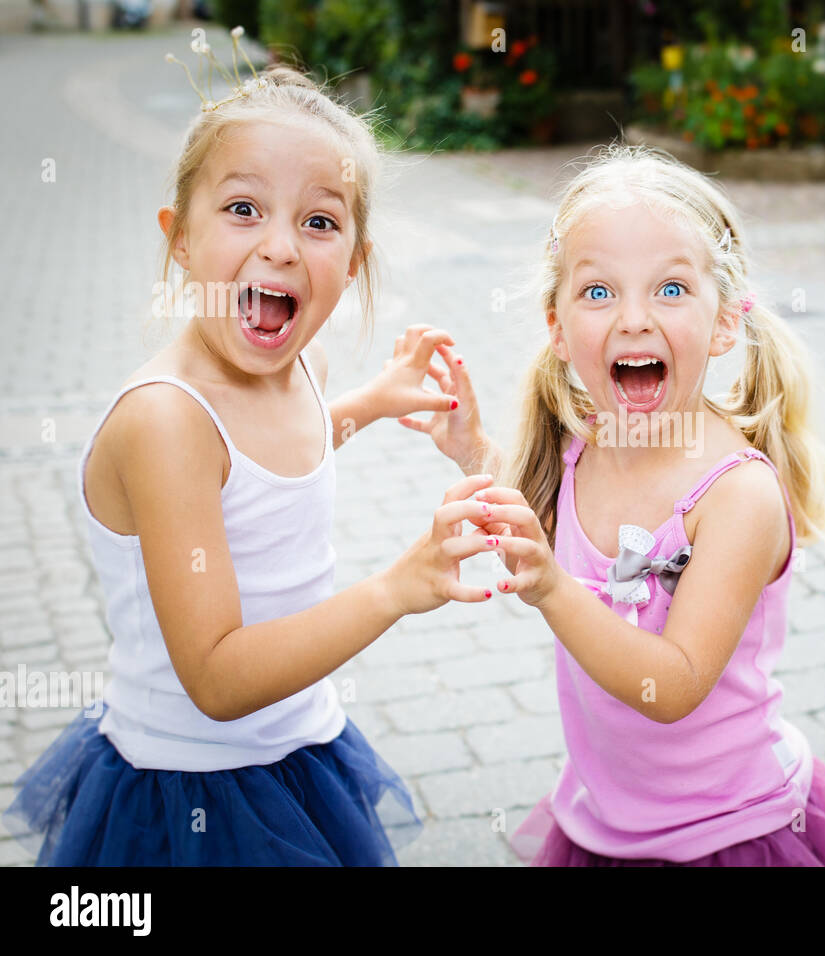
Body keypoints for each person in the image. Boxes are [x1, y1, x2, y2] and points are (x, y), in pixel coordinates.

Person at [2, 35, 498, 865]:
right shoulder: (168, 423)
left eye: (319, 221)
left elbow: (277, 465)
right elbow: (220, 679)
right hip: (190, 795)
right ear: (180, 240)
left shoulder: (304, 363)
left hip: (302, 751)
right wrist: (397, 589)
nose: (280, 246)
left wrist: (368, 406)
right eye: (242, 209)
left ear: (354, 263)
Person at [408, 145, 825, 865]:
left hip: (728, 831)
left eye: (670, 289)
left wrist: (550, 590)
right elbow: (540, 530)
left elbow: (672, 685)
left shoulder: (736, 495)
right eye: (599, 292)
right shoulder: (580, 451)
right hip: (600, 819)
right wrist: (474, 450)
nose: (633, 319)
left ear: (725, 320)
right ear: (558, 328)